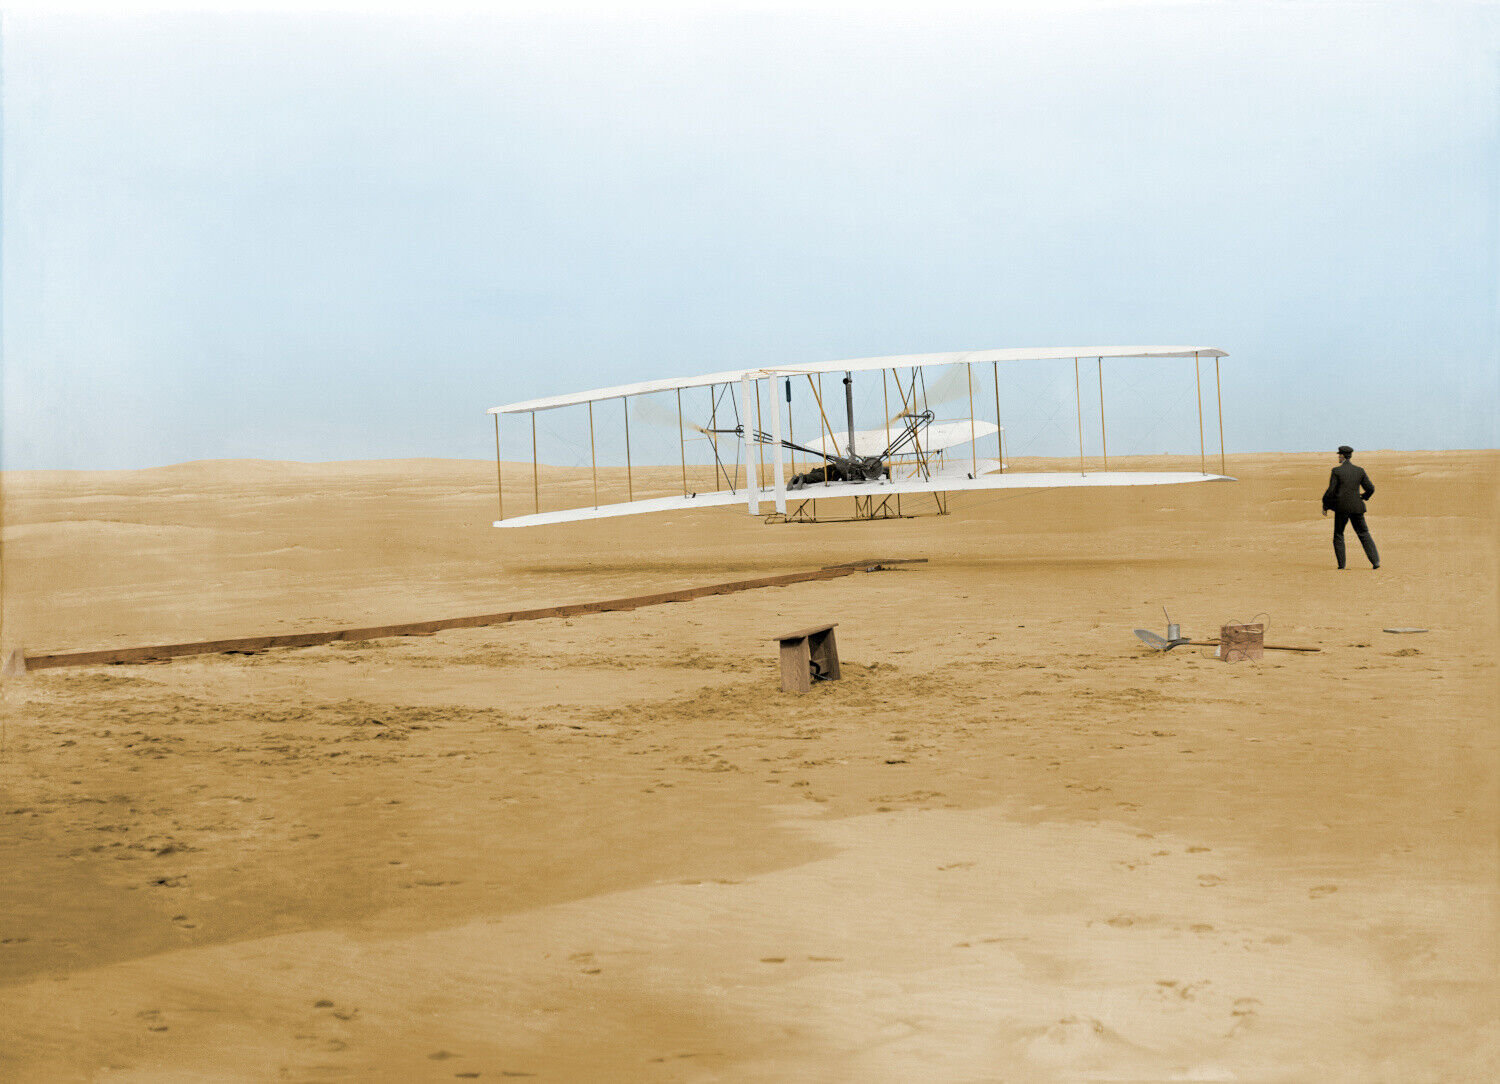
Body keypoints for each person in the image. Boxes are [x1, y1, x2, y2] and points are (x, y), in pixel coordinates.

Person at [1321, 445, 1380, 569]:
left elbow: (1331, 491)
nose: (1338, 456)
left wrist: (1326, 505)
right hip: (1357, 507)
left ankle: (1341, 565)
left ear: (1342, 456)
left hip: (1341, 508)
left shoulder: (1336, 471)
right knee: (1364, 533)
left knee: (1338, 534)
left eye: (1339, 455)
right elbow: (1370, 488)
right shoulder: (1359, 470)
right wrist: (1363, 497)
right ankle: (1376, 562)